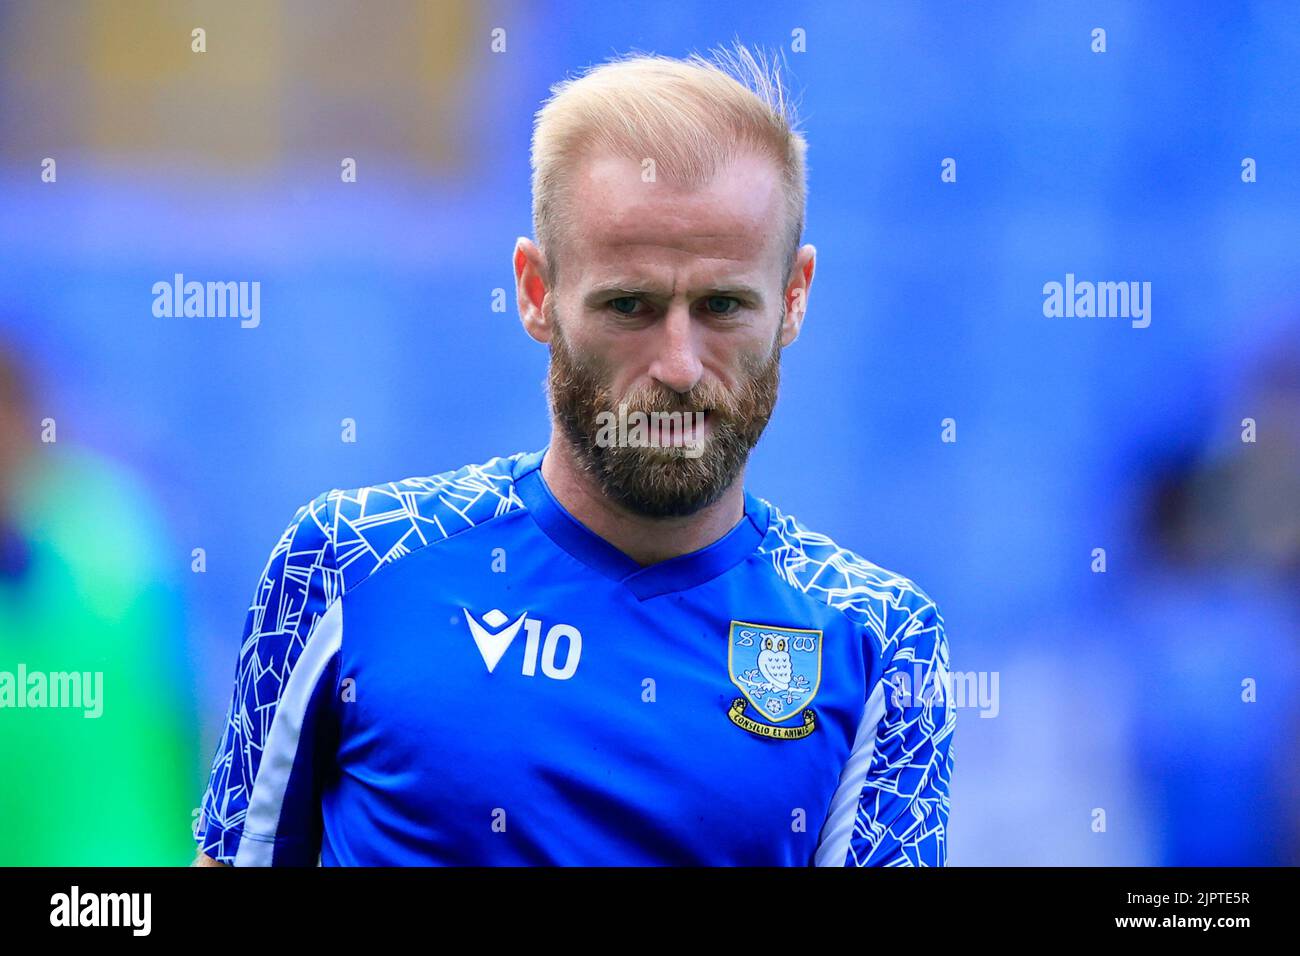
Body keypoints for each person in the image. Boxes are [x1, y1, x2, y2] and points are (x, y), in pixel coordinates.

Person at [193, 44, 955, 866]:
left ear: (794, 299)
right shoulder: (349, 561)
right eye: (629, 305)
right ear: (536, 293)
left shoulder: (876, 639)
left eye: (724, 305)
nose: (679, 365)